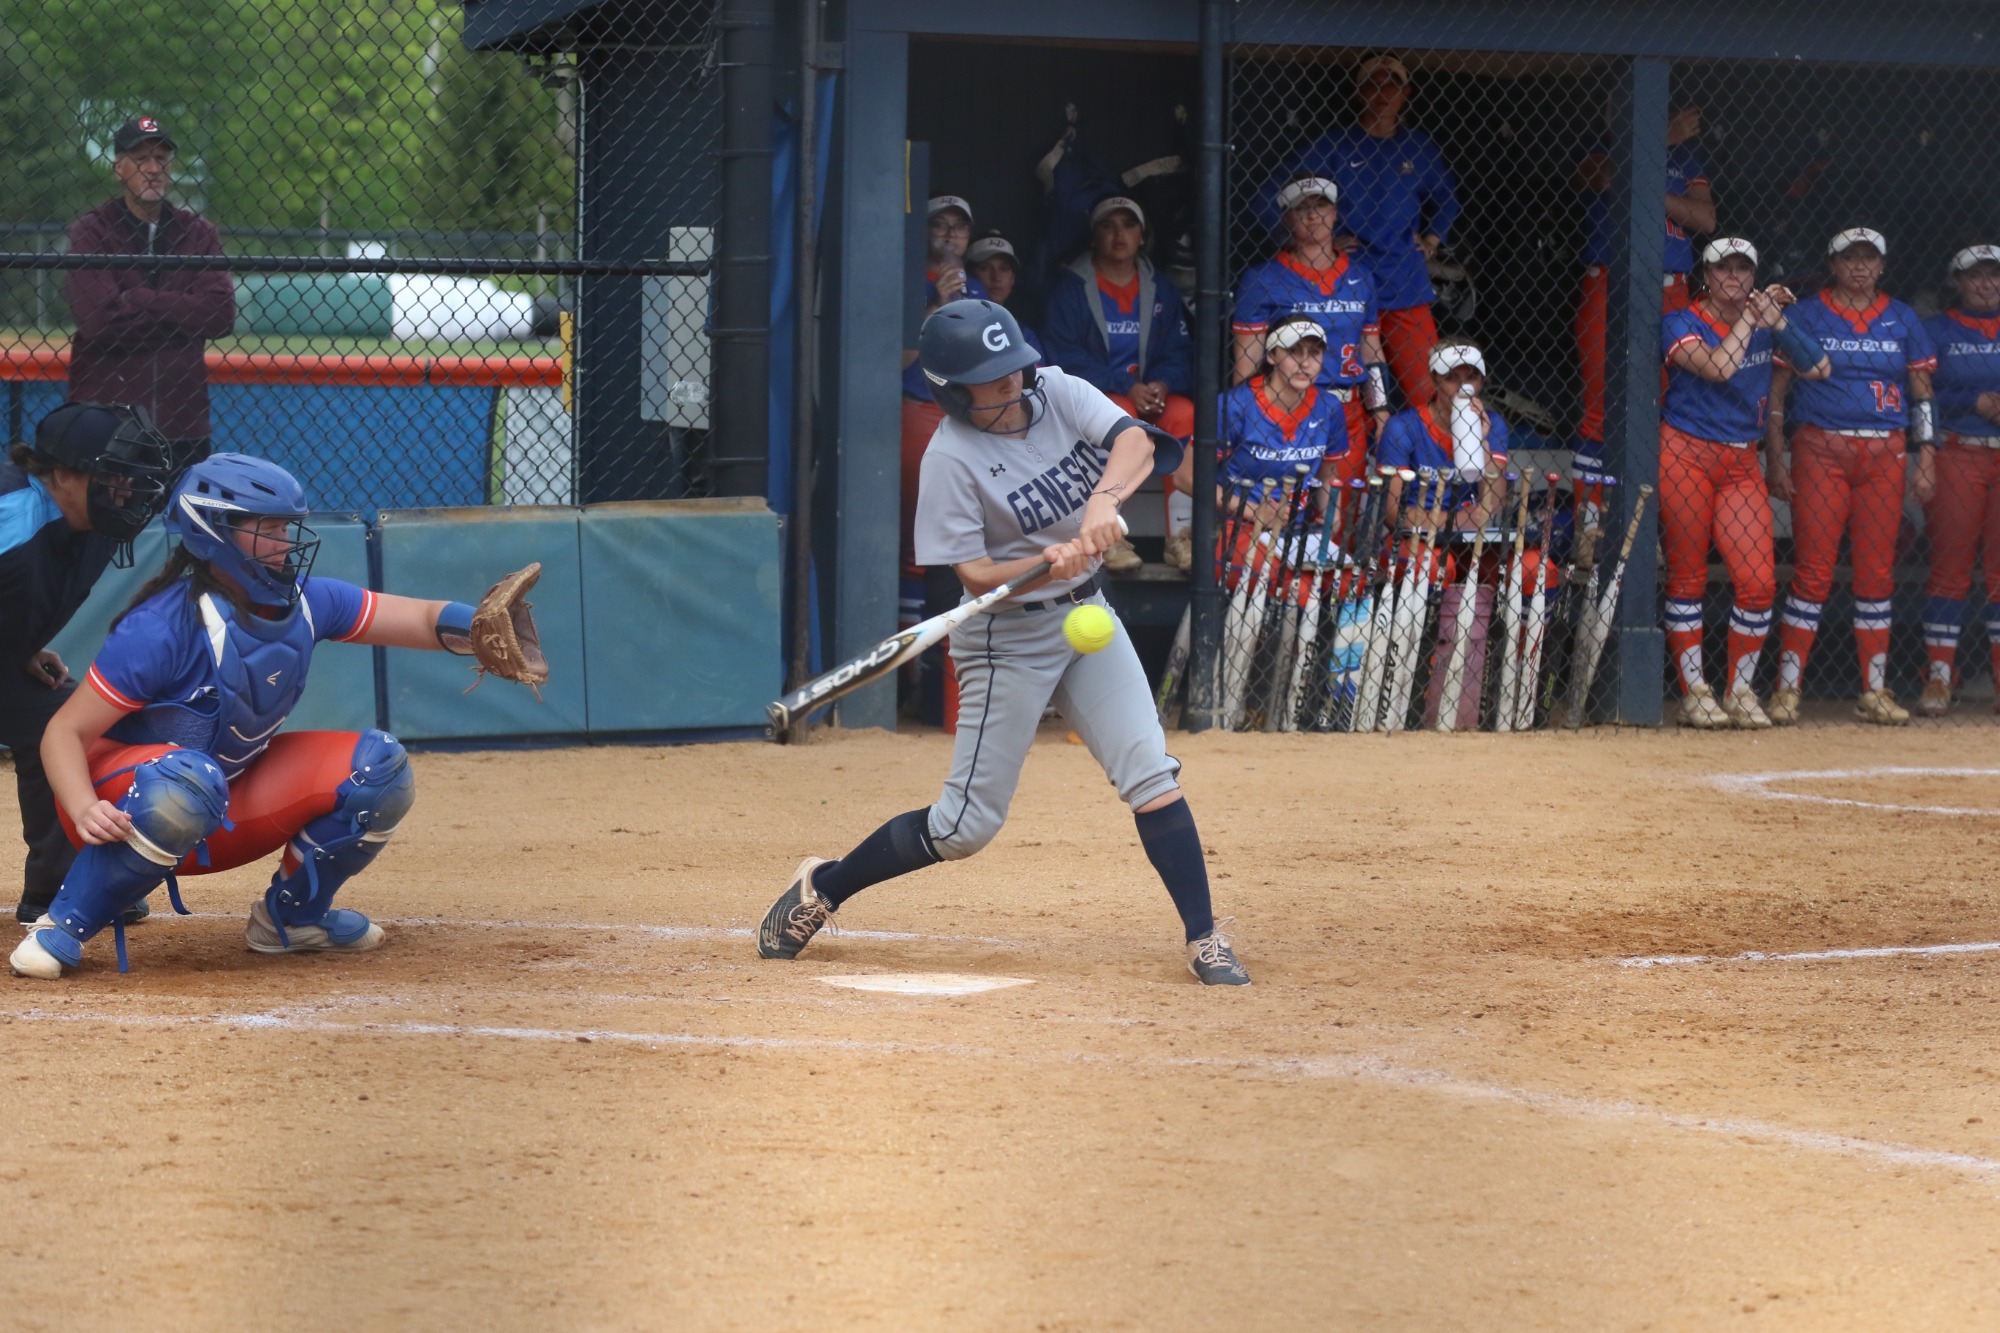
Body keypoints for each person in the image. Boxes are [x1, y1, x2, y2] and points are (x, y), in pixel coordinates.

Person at [755, 300, 1248, 986]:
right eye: (992, 379)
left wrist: (1104, 502)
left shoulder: (1055, 389)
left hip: (1087, 616)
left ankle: (1205, 937)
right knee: (964, 826)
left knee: (1150, 771)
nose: (1011, 384)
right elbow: (975, 574)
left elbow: (1136, 441)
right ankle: (826, 885)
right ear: (953, 392)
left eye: (1011, 367)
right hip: (1005, 639)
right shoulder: (950, 458)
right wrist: (1046, 559)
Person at [10, 453, 540, 979]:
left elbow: (419, 618)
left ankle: (292, 920)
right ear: (214, 531)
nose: (286, 540)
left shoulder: (308, 601)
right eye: (268, 527)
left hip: (217, 796)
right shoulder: (162, 626)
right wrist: (82, 809)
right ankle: (64, 924)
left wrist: (478, 628)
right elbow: (63, 731)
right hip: (122, 808)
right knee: (187, 780)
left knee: (378, 768)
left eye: (288, 525)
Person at [2, 403, 169, 926]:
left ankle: (56, 893)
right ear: (64, 476)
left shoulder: (95, 523)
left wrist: (16, 647)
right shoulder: (12, 518)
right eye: (114, 476)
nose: (126, 491)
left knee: (66, 723)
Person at [1765, 228, 1937, 725]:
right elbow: (1776, 394)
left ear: (1882, 266)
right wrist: (1776, 457)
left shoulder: (1903, 317)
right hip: (1821, 447)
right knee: (1813, 572)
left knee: (1876, 574)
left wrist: (1926, 453)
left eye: (1869, 258)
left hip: (1885, 453)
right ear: (1832, 264)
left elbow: (1922, 392)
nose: (1859, 267)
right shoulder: (1805, 314)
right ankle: (1787, 689)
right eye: (1849, 258)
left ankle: (1875, 689)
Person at [1659, 238, 1827, 730]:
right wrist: (1753, 320)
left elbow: (1818, 367)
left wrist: (1779, 322)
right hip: (1683, 452)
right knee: (1687, 575)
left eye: (1743, 269)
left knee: (1757, 582)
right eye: (1722, 269)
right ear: (1705, 276)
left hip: (1739, 461)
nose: (1733, 277)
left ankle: (1738, 689)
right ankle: (1695, 692)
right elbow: (1719, 367)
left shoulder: (1763, 323)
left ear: (1754, 276)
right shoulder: (1681, 320)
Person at [1261, 54, 1460, 407]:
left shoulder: (1418, 146)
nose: (1382, 93)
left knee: (1427, 393)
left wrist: (1432, 237)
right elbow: (1273, 194)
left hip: (1404, 283)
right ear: (1357, 92)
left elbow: (1447, 197)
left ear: (1406, 93)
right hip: (1345, 282)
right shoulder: (1335, 145)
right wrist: (1307, 239)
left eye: (1391, 85)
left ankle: (1418, 461)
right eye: (1372, 84)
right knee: (1345, 389)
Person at [65, 117, 235, 482]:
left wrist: (137, 299)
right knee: (106, 526)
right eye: (141, 159)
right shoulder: (92, 231)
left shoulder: (197, 232)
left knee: (179, 527)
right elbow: (98, 321)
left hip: (183, 424)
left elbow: (220, 314)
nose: (154, 169)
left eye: (162, 158)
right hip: (106, 421)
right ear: (119, 168)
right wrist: (182, 308)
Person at [1043, 196, 1195, 572]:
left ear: (1142, 235)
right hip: (1098, 398)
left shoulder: (1160, 287)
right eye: (1108, 226)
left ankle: (1180, 536)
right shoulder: (1072, 287)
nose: (1119, 234)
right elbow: (1063, 357)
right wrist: (1122, 386)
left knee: (1183, 412)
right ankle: (1109, 535)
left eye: (1128, 225)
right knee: (1121, 415)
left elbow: (1180, 350)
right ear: (1094, 236)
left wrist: (1161, 383)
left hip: (1146, 396)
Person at [1373, 341, 1513, 729]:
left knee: (1530, 569)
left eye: (1471, 378)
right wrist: (1453, 518)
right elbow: (1392, 511)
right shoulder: (1405, 426)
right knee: (1438, 566)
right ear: (1434, 380)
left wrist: (1481, 441)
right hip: (1418, 542)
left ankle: (1490, 700)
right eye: (1452, 378)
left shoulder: (1492, 423)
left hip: (1469, 539)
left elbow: (1494, 503)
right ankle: (1417, 691)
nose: (1463, 387)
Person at [1573, 100, 1716, 475]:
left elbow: (1706, 218)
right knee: (1600, 403)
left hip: (1671, 289)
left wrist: (1654, 191)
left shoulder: (1685, 156)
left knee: (1668, 399)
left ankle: (1651, 522)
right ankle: (1592, 524)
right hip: (1610, 280)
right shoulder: (1600, 145)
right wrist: (1659, 142)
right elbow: (1602, 179)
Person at [1230, 175, 1389, 484]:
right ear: (1287, 218)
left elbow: (1372, 351)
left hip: (1347, 411)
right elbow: (1246, 363)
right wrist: (1249, 416)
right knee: (1282, 508)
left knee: (1336, 514)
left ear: (1335, 213)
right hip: (1284, 409)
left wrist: (1381, 411)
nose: (1313, 216)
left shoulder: (1361, 277)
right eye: (1302, 209)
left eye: (1321, 206)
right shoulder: (1261, 280)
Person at [1917, 244, 2000, 715]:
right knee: (1949, 569)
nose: (1987, 284)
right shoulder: (1937, 329)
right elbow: (1924, 392)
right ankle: (1939, 678)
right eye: (1975, 276)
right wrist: (1975, 401)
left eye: (1994, 275)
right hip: (1958, 451)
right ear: (1956, 282)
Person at [965, 234, 1046, 361]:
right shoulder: (956, 325)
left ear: (1013, 278)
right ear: (969, 275)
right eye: (985, 268)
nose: (996, 277)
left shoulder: (1024, 335)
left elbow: (1036, 378)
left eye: (1004, 268)